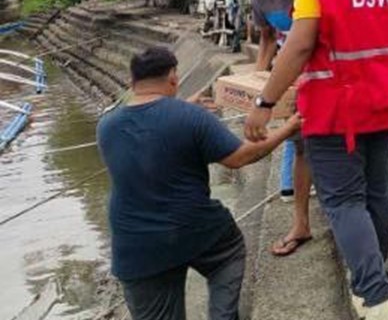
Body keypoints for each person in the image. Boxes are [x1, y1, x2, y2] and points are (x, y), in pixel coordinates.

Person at [244, 0, 388, 320]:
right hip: (385, 104)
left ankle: (375, 295)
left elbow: (300, 45)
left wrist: (264, 102)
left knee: (343, 202)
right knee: (378, 193)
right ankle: (374, 279)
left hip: (334, 113)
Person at [98, 47, 299, 320]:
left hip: (135, 247)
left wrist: (183, 110)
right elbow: (240, 157)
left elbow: (150, 134)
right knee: (229, 254)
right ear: (173, 78)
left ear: (133, 83)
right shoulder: (191, 118)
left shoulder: (106, 126)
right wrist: (287, 129)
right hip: (198, 229)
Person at [241, 0, 315, 258]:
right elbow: (268, 40)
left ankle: (380, 208)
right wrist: (257, 82)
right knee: (300, 144)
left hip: (319, 69)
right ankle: (301, 222)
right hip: (289, 74)